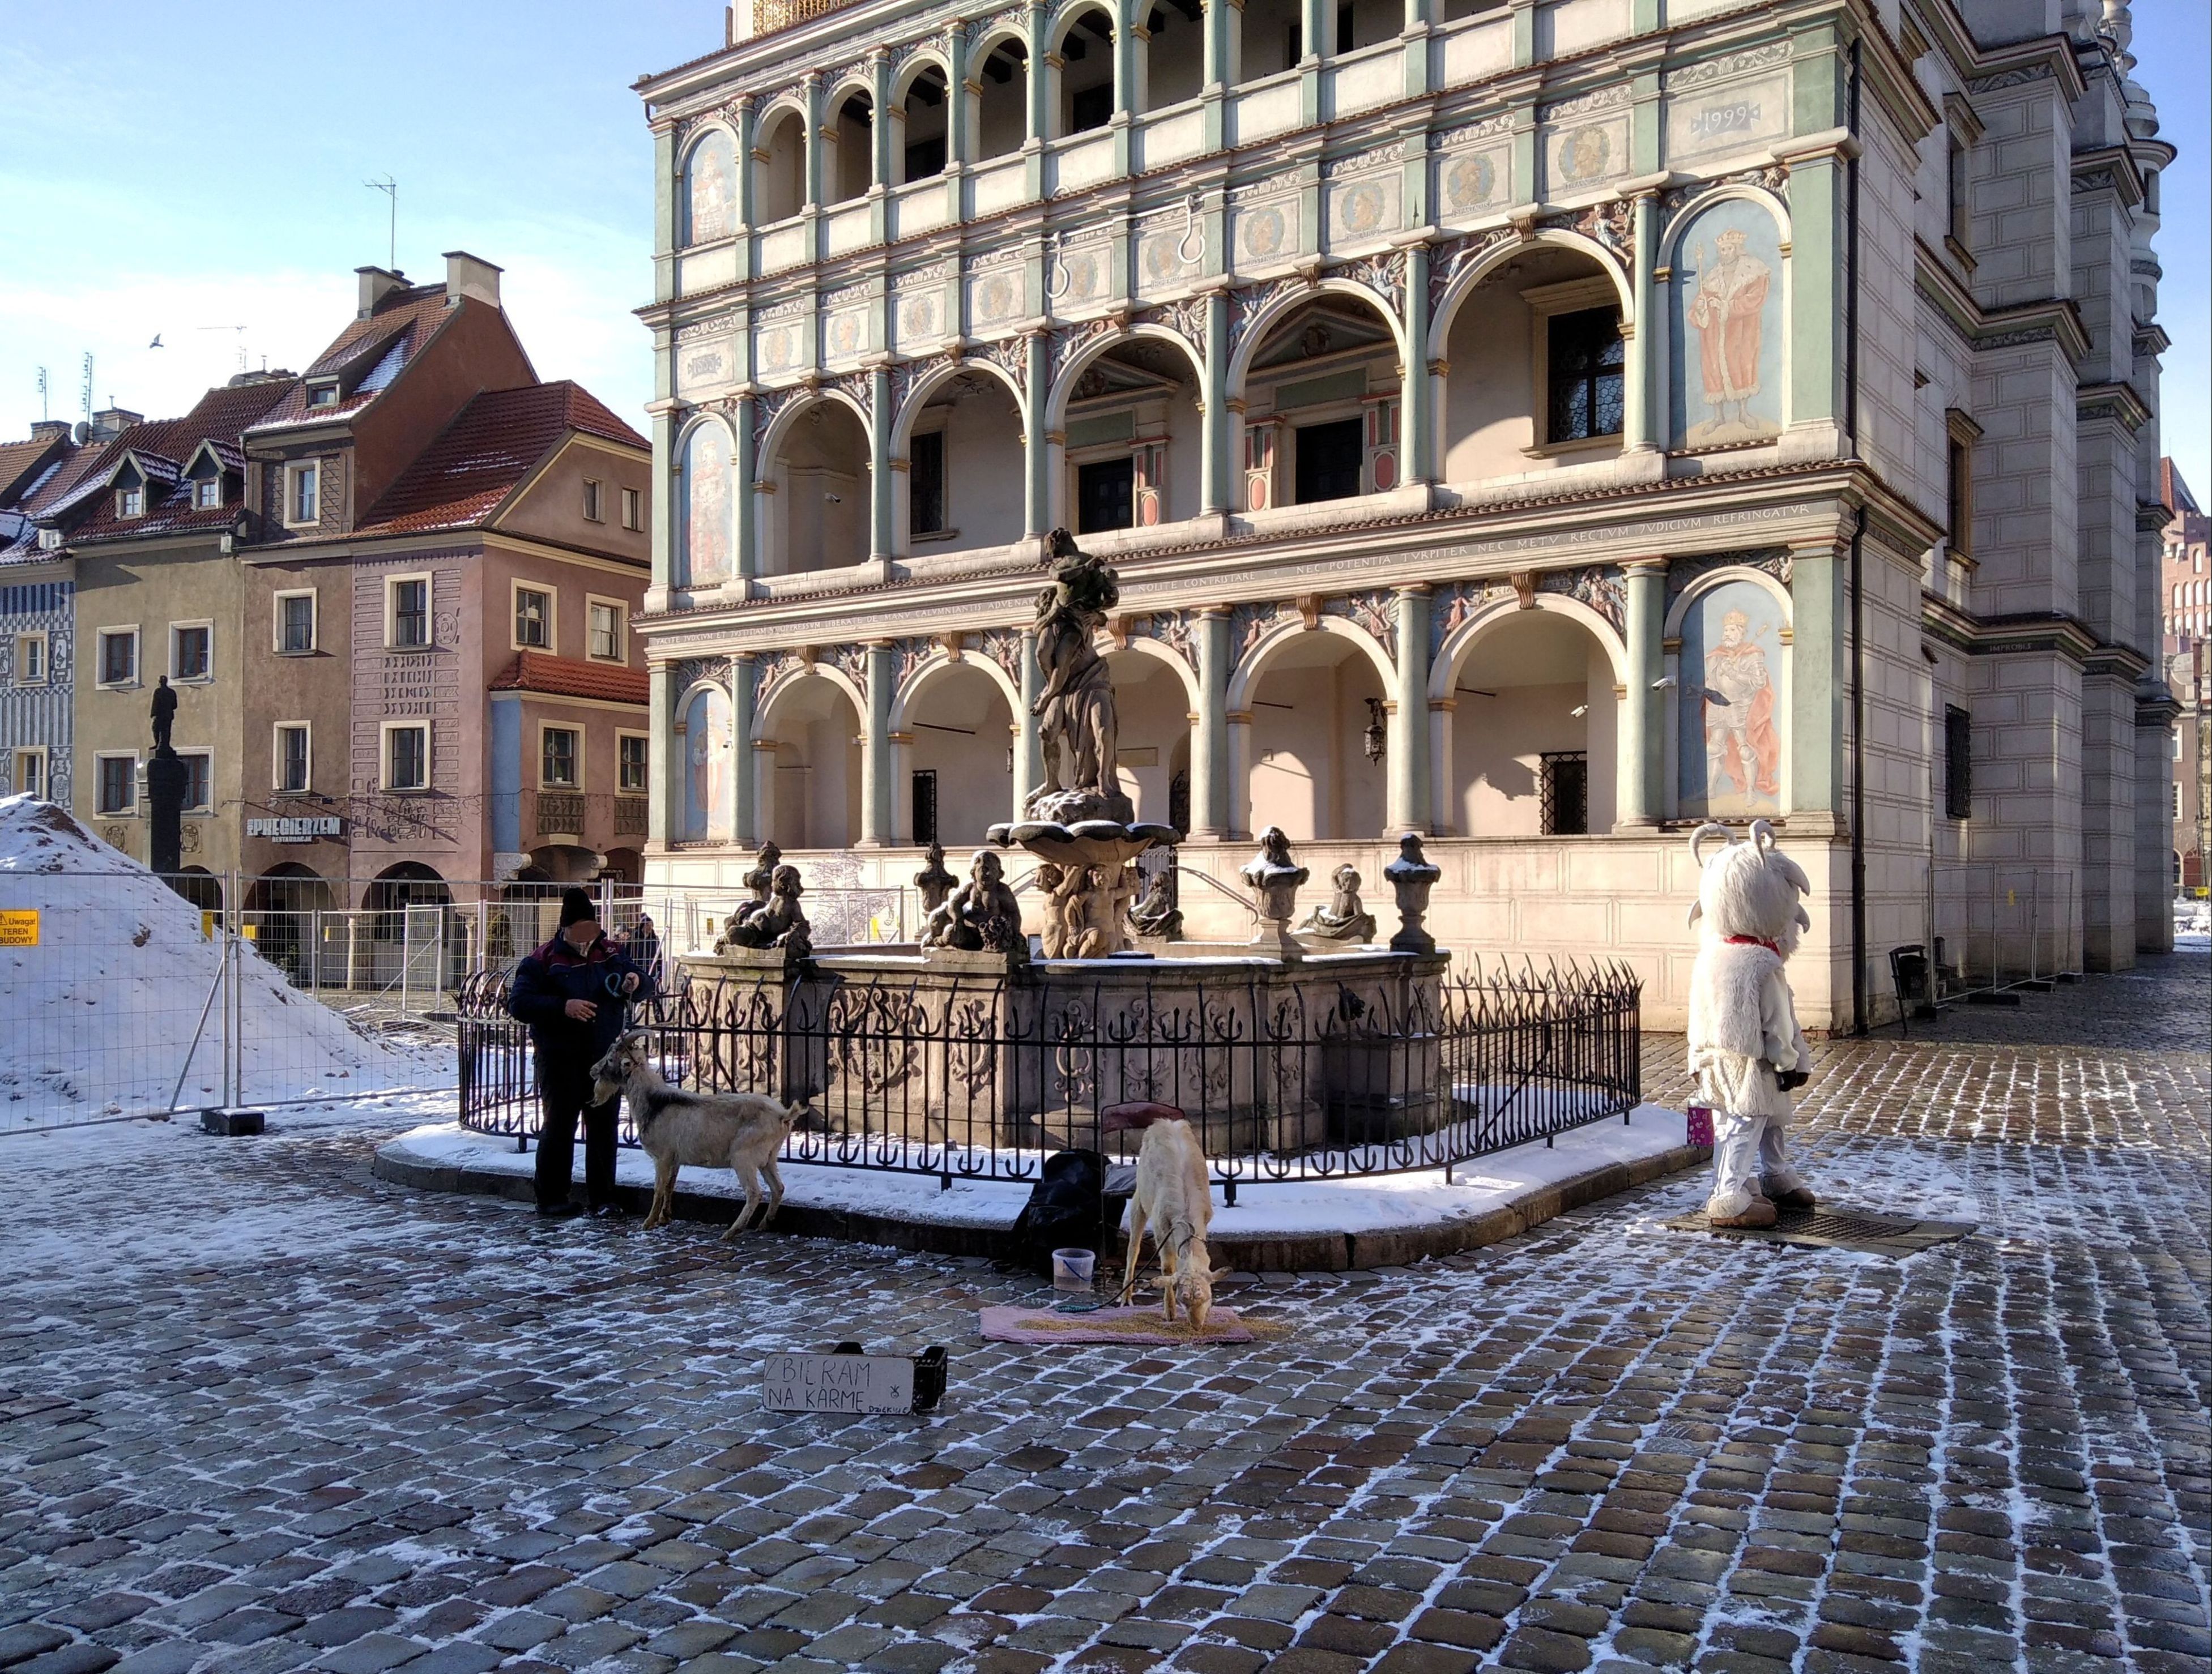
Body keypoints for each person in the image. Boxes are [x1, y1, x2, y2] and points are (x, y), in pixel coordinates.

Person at [507, 887, 654, 1219]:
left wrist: (635, 980)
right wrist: (564, 1007)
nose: (589, 936)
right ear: (566, 928)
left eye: (594, 927)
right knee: (559, 1127)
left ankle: (604, 1198)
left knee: (603, 1129)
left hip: (605, 1059)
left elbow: (645, 982)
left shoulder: (612, 952)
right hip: (560, 1057)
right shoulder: (541, 960)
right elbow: (519, 1004)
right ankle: (552, 1197)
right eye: (581, 929)